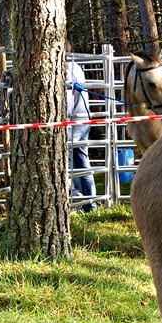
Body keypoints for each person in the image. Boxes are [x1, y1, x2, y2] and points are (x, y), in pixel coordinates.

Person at [65, 39, 96, 212]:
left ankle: (76, 196)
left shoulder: (66, 69)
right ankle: (89, 202)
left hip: (72, 120)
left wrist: (66, 123)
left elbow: (68, 96)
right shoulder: (77, 66)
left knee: (65, 161)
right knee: (82, 161)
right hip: (83, 118)